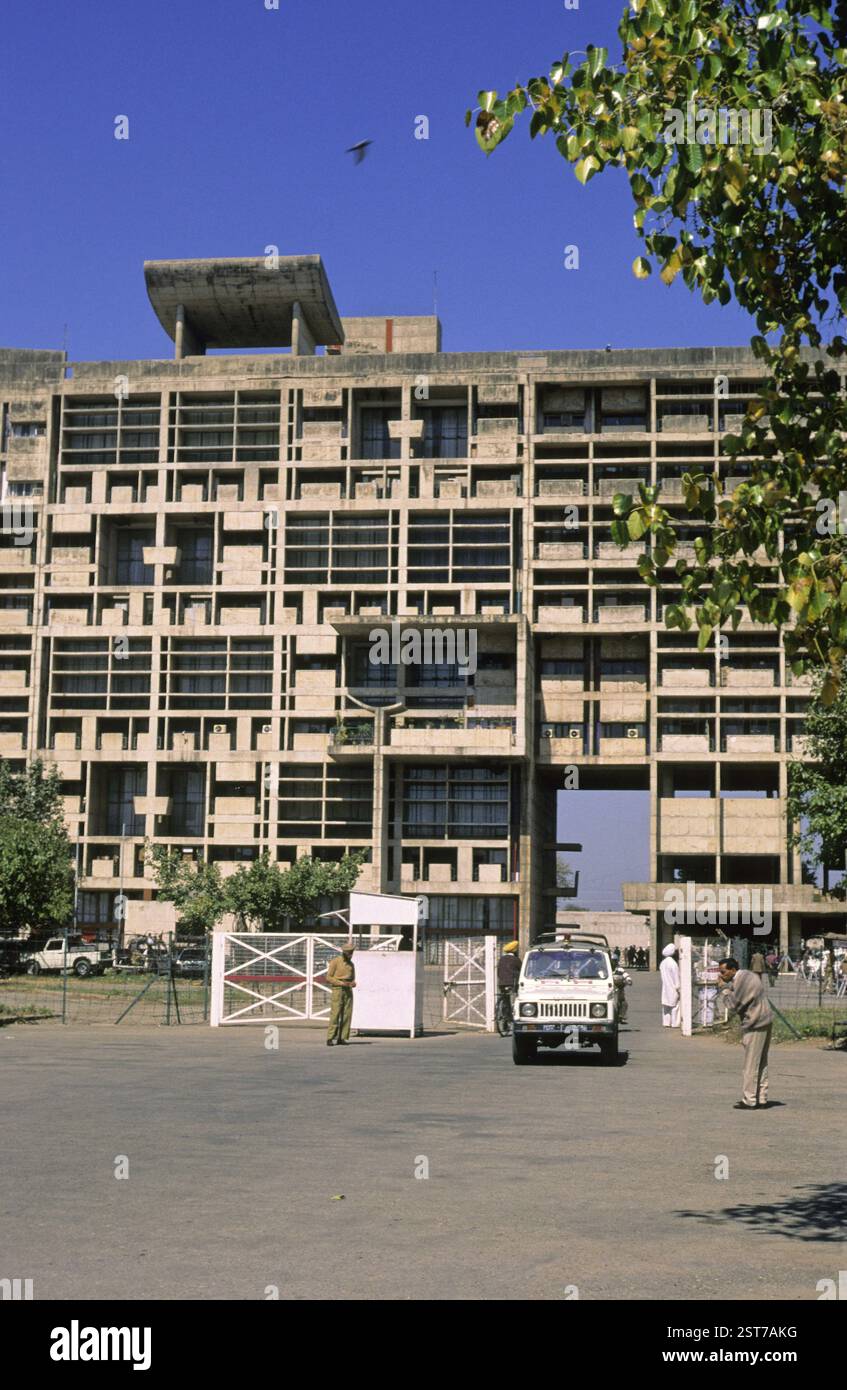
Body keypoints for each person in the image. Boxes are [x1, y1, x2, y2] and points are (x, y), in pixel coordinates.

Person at [717, 956, 773, 1110]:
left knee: (750, 1064)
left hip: (755, 1023)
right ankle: (762, 1097)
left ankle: (749, 1099)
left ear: (733, 970)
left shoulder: (741, 981)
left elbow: (732, 1005)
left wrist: (724, 989)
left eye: (723, 971)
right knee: (761, 1062)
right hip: (765, 1020)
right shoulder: (749, 975)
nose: (722, 975)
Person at [326, 941, 356, 1046]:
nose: (351, 955)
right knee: (335, 1013)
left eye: (352, 952)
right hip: (338, 989)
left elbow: (352, 977)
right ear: (344, 953)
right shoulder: (335, 962)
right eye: (349, 953)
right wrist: (340, 983)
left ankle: (342, 1037)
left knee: (347, 1014)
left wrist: (352, 983)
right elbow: (328, 977)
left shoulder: (351, 965)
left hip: (348, 990)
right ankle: (330, 1037)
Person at [497, 940, 521, 1022]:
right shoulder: (516, 960)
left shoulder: (501, 959)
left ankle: (505, 1017)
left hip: (502, 983)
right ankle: (514, 1015)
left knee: (505, 1000)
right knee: (517, 998)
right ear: (515, 951)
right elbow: (521, 972)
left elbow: (498, 972)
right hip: (513, 983)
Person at [660, 942, 681, 1028]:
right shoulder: (673, 964)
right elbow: (676, 977)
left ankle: (666, 1022)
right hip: (672, 987)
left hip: (665, 987)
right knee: (675, 1006)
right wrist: (678, 988)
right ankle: (675, 1023)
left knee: (666, 1006)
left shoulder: (663, 963)